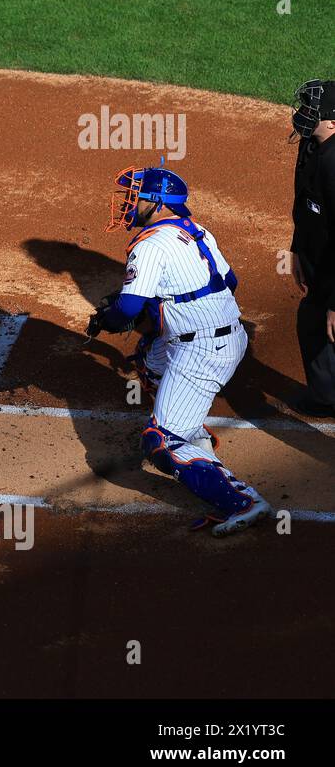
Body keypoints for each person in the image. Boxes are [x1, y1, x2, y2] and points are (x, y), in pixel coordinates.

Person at [88, 166, 271, 536]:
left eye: (135, 196)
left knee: (159, 440)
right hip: (226, 335)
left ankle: (242, 501)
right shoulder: (197, 230)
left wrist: (108, 320)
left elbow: (126, 309)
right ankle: (196, 440)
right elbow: (229, 281)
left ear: (156, 203)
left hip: (202, 350)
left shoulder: (150, 245)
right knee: (150, 359)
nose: (128, 202)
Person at [287, 79, 335, 417]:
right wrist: (296, 250)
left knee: (328, 324)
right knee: (312, 322)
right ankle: (325, 398)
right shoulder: (310, 147)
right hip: (320, 260)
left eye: (312, 110)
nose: (303, 114)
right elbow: (305, 204)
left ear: (332, 120)